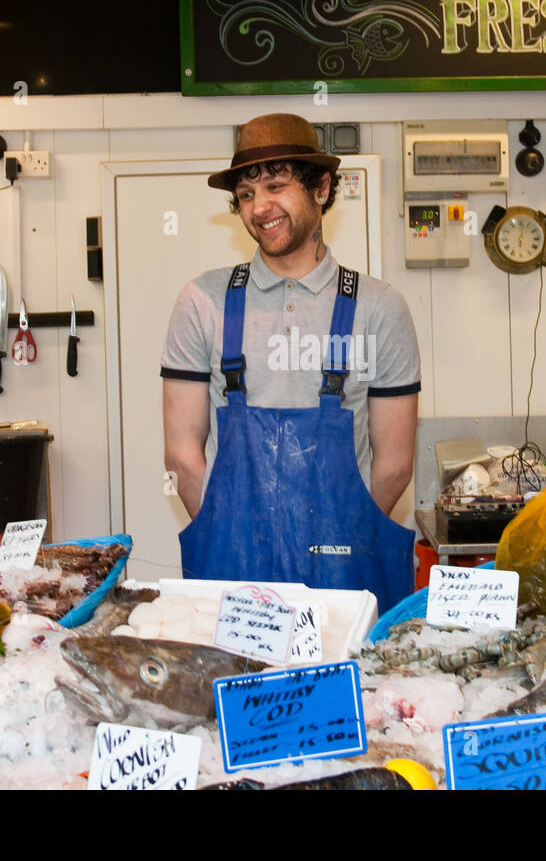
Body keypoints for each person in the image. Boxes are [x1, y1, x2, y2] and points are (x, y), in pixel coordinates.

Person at [161, 113, 420, 611]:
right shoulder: (202, 302)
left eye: (276, 186)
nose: (260, 208)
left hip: (345, 574)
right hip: (232, 578)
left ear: (321, 188)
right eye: (246, 195)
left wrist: (339, 545)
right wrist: (228, 542)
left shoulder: (379, 307)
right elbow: (181, 457)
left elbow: (395, 464)